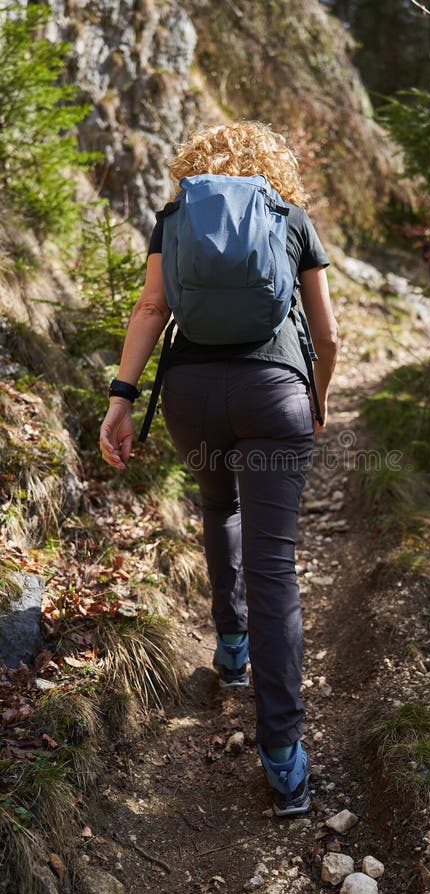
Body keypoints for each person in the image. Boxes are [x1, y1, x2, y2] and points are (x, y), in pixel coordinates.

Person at [99, 121, 339, 816]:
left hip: (192, 395)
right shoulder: (290, 218)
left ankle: (230, 648)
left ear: (196, 168)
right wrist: (316, 398)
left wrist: (122, 399)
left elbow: (151, 307)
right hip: (274, 397)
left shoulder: (175, 217)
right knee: (275, 563)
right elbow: (326, 334)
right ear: (274, 166)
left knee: (218, 507)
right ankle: (284, 756)